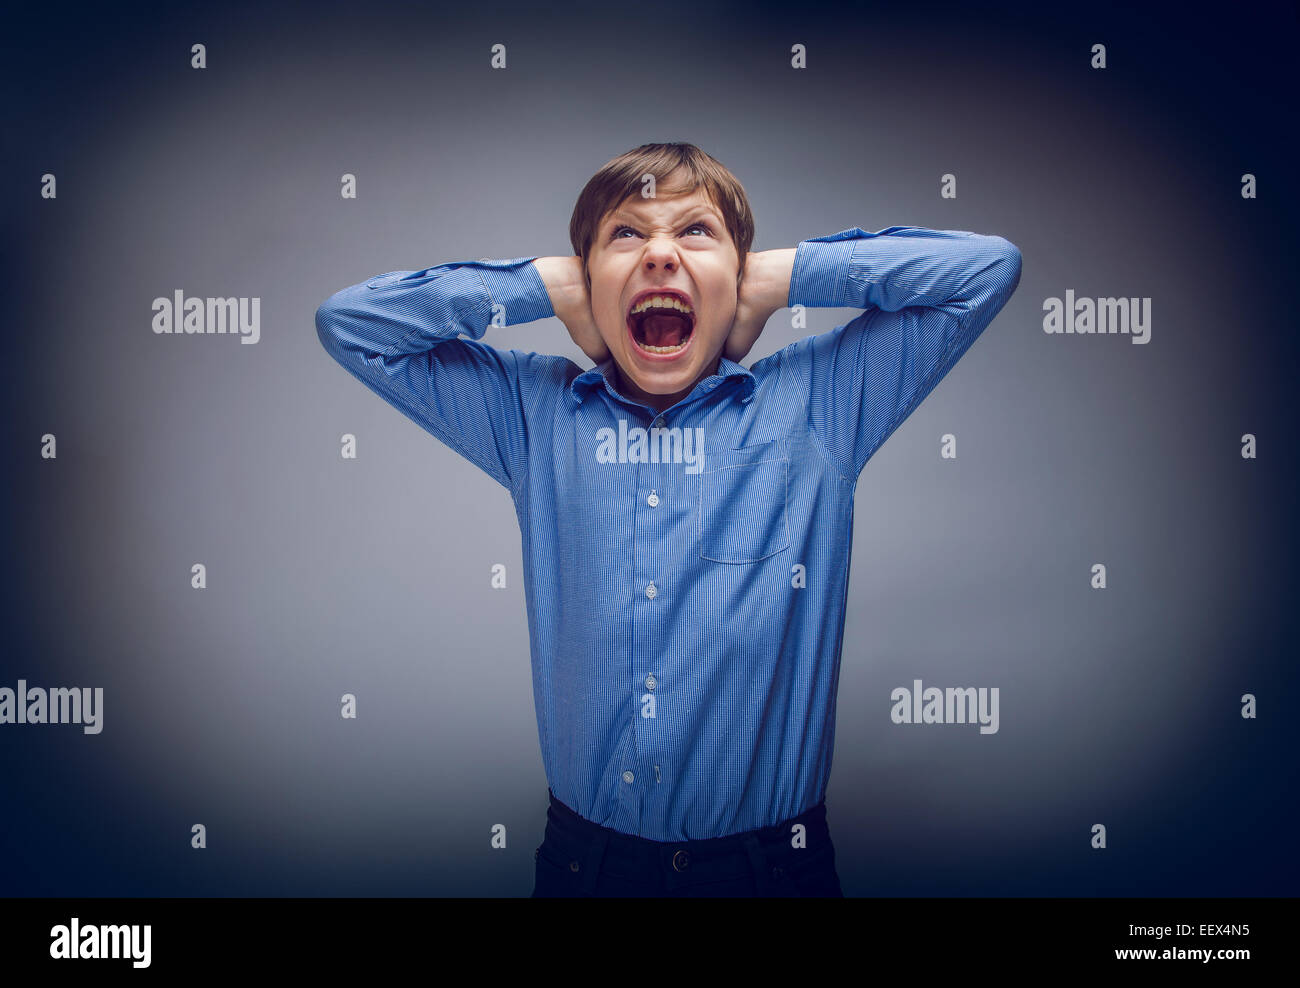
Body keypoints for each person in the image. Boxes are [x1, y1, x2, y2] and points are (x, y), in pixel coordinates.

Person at [315, 142, 1022, 897]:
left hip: (771, 871)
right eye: (625, 234)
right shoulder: (535, 416)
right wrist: (544, 284)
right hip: (588, 868)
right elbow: (353, 325)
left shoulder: (819, 404)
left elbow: (986, 271)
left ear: (736, 275)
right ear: (589, 279)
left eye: (696, 231)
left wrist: (780, 278)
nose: (659, 255)